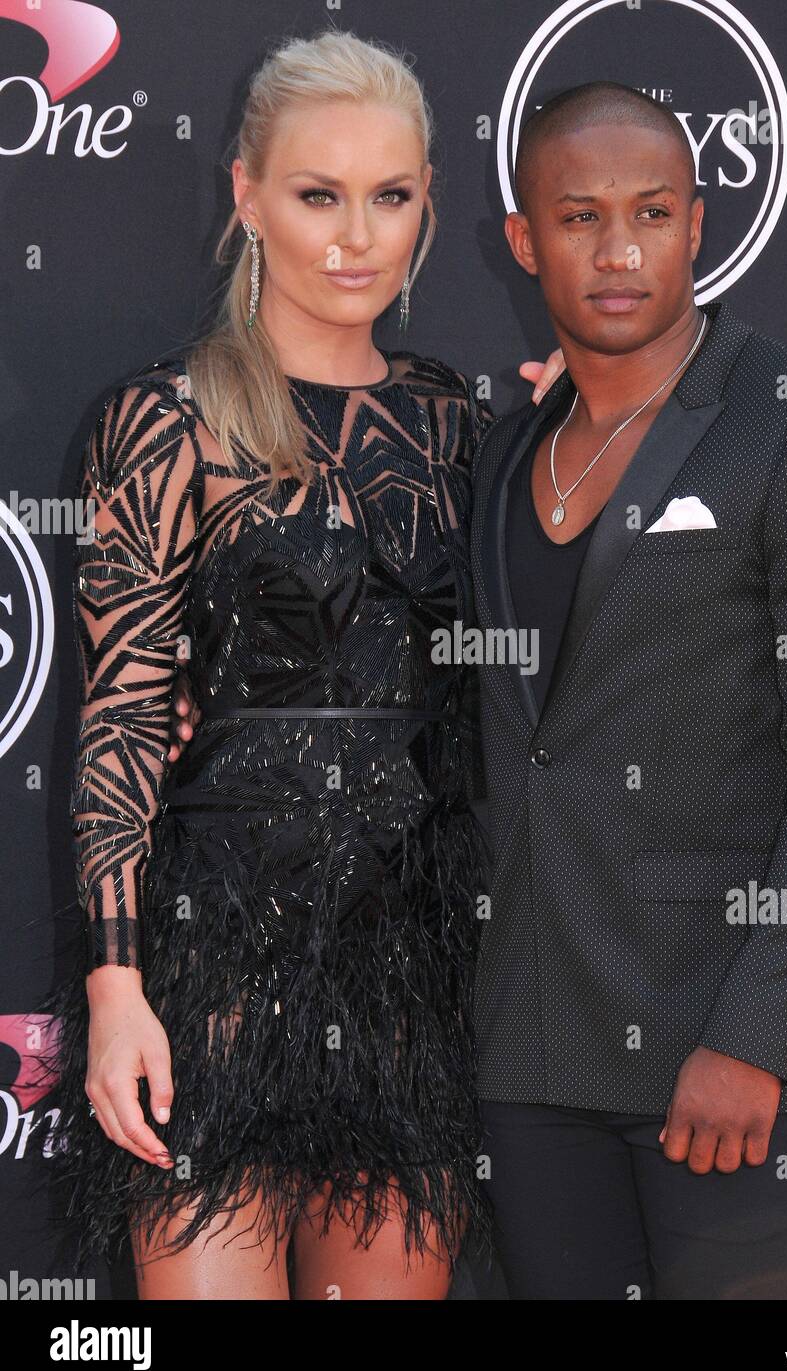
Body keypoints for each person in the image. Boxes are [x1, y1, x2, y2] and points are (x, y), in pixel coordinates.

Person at [37, 28, 560, 1301]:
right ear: (247, 195)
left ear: (429, 200)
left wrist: (582, 447)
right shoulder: (166, 420)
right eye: (318, 195)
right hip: (209, 982)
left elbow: (542, 683)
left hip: (409, 984)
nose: (356, 238)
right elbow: (118, 719)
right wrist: (116, 985)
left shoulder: (464, 426)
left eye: (391, 196)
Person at [463, 83, 787, 1299]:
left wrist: (751, 1037)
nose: (618, 251)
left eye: (651, 213)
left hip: (723, 1059)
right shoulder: (504, 452)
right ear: (523, 239)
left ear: (697, 224)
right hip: (531, 1057)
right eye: (580, 217)